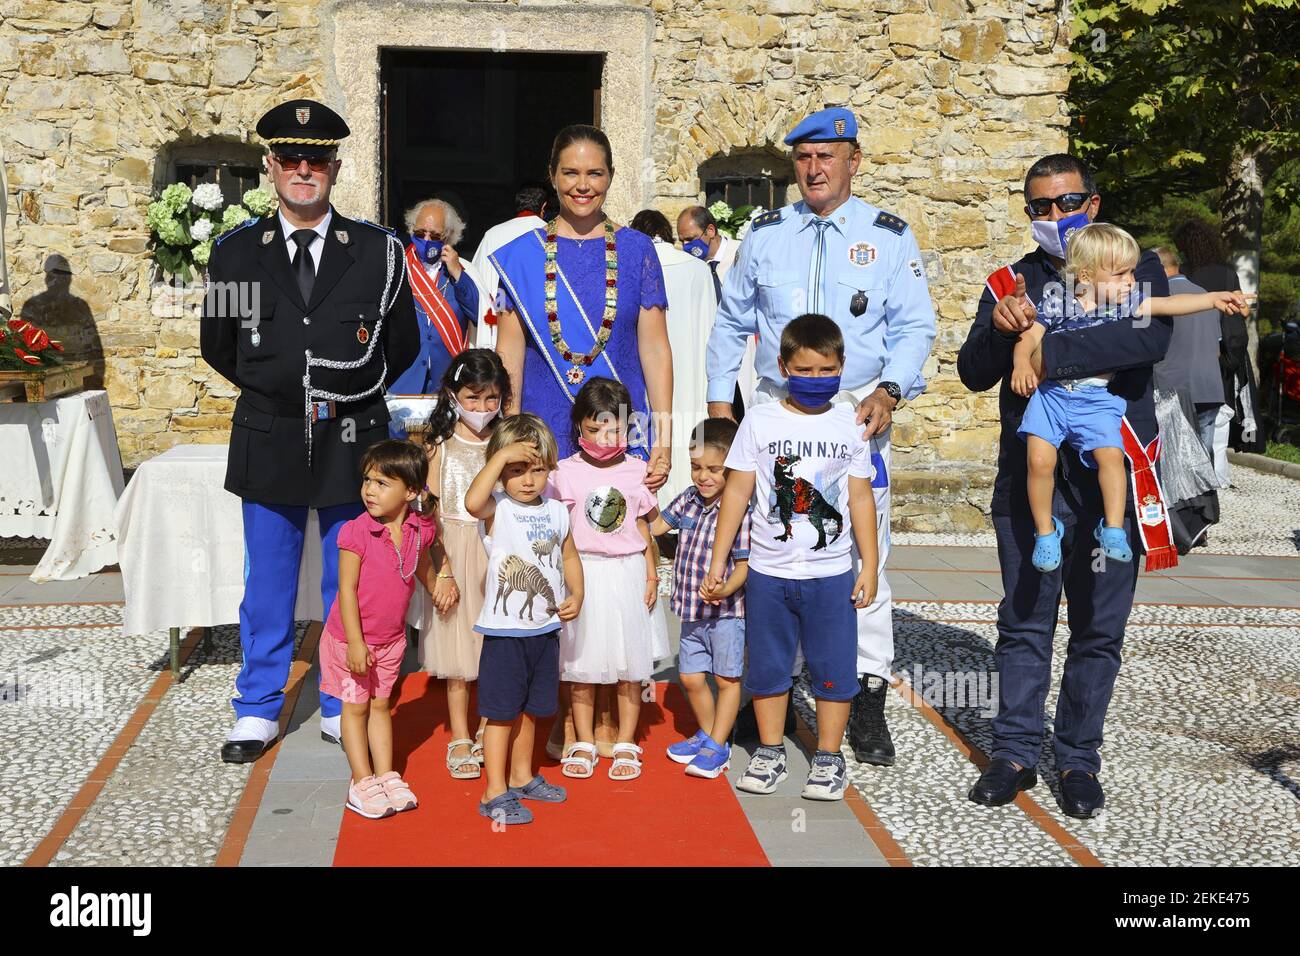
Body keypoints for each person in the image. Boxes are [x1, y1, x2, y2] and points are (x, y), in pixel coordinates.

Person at [705, 106, 936, 767]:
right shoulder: (767, 232)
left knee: (863, 561)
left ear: (853, 160)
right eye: (803, 158)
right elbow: (730, 324)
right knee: (768, 557)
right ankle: (762, 693)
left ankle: (863, 700)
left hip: (853, 417)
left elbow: (915, 327)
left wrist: (892, 390)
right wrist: (723, 402)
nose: (813, 169)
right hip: (776, 417)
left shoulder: (889, 237)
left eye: (826, 156)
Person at [199, 98, 419, 762]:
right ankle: (258, 706)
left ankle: (338, 696)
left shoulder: (378, 252)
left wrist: (342, 391)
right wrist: (282, 387)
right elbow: (218, 345)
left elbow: (400, 344)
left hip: (352, 437)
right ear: (270, 166)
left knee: (349, 578)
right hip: (270, 432)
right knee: (266, 580)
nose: (303, 170)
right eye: (291, 159)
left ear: (335, 167)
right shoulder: (236, 254)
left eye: (316, 159)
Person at [957, 153, 1171, 818]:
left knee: (1098, 631)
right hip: (1033, 482)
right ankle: (1015, 752)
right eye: (1040, 207)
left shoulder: (1134, 264)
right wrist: (1000, 334)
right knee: (1024, 623)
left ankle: (1078, 758)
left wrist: (1045, 351)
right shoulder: (1010, 279)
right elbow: (970, 372)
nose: (1055, 217)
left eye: (1067, 203)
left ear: (1094, 204)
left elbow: (1146, 341)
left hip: (1113, 482)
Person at [707, 314, 879, 801]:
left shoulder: (851, 422)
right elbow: (737, 491)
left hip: (830, 576)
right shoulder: (760, 420)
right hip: (767, 573)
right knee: (768, 666)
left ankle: (828, 756)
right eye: (805, 370)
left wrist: (871, 565)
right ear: (783, 366)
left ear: (843, 365)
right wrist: (720, 558)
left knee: (833, 668)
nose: (817, 379)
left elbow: (860, 497)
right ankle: (769, 750)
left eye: (828, 370)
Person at [1010, 223, 1249, 572]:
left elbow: (1170, 303)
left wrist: (1213, 299)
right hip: (1052, 398)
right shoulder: (1058, 299)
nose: (1131, 281)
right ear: (1088, 275)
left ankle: (1113, 529)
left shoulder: (1128, 303)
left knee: (1111, 457)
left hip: (1097, 400)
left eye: (1132, 272)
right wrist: (1020, 365)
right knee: (1039, 461)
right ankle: (1046, 532)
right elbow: (1029, 336)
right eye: (1121, 273)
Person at [489, 124, 673, 485]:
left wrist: (663, 438)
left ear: (611, 176)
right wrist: (509, 431)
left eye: (595, 173)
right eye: (570, 173)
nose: (583, 185)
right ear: (552, 176)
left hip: (619, 428)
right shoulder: (521, 256)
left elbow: (654, 348)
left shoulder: (638, 250)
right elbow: (508, 351)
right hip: (541, 428)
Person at [463, 414, 582, 825]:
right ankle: (494, 790)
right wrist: (498, 459)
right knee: (501, 712)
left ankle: (521, 775)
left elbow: (568, 555)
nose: (528, 480)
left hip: (545, 629)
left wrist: (577, 593)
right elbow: (471, 502)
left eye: (536, 469)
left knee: (535, 709)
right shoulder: (498, 508)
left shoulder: (557, 511)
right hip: (504, 633)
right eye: (516, 470)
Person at [548, 377, 668, 781]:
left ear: (628, 426)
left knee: (629, 665)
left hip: (628, 572)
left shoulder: (638, 471)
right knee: (580, 664)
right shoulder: (562, 472)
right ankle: (582, 739)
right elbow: (556, 532)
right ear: (578, 425)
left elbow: (647, 526)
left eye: (613, 428)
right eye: (594, 428)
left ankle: (626, 741)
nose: (603, 436)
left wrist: (653, 573)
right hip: (582, 574)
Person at [324, 440, 437, 818]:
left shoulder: (419, 528)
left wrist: (442, 581)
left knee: (381, 705)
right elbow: (346, 589)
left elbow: (422, 562)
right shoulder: (356, 532)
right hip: (351, 639)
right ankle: (361, 781)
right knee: (355, 709)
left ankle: (386, 774)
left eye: (382, 483)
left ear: (411, 492)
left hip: (390, 641)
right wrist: (356, 643)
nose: (370, 490)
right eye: (367, 480)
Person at [414, 349, 511, 779]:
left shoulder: (505, 441)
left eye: (492, 399)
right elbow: (428, 514)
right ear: (453, 395)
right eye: (473, 398)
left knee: (493, 647)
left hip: (497, 549)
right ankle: (458, 734)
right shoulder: (439, 445)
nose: (483, 408)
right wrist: (442, 572)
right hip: (453, 548)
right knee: (456, 650)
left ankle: (489, 726)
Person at [651, 417, 751, 779]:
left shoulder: (741, 509)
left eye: (714, 469)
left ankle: (718, 745)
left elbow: (743, 565)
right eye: (696, 467)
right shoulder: (689, 501)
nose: (703, 476)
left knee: (726, 681)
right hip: (691, 610)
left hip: (727, 613)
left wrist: (726, 587)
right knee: (692, 679)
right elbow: (655, 525)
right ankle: (712, 735)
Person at [630, 209, 715, 504]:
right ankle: (687, 505)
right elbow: (709, 328)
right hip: (690, 372)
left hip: (645, 370)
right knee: (686, 434)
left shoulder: (631, 266)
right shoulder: (698, 269)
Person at [1174, 219, 1264, 475]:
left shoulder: (1184, 272)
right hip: (1224, 352)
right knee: (1219, 413)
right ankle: (1215, 471)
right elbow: (1243, 311)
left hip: (1191, 350)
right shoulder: (1226, 272)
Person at [389, 198, 481, 398]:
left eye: (435, 235)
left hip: (446, 383)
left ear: (447, 236)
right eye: (421, 233)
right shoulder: (397, 267)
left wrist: (457, 272)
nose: (427, 240)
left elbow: (477, 313)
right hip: (404, 381)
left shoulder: (461, 270)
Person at [1151, 246, 1228, 458]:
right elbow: (1217, 349)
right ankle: (1205, 492)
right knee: (1203, 456)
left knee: (1174, 461)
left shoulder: (1156, 299)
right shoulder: (1206, 295)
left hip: (1172, 386)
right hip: (1210, 386)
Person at [679, 204, 753, 418]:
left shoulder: (742, 254)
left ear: (710, 231)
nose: (686, 246)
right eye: (682, 241)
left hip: (745, 350)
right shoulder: (688, 266)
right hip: (708, 353)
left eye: (691, 239)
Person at [470, 182, 553, 350]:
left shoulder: (493, 234)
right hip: (541, 328)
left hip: (498, 323)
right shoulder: (551, 234)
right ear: (543, 207)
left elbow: (476, 282)